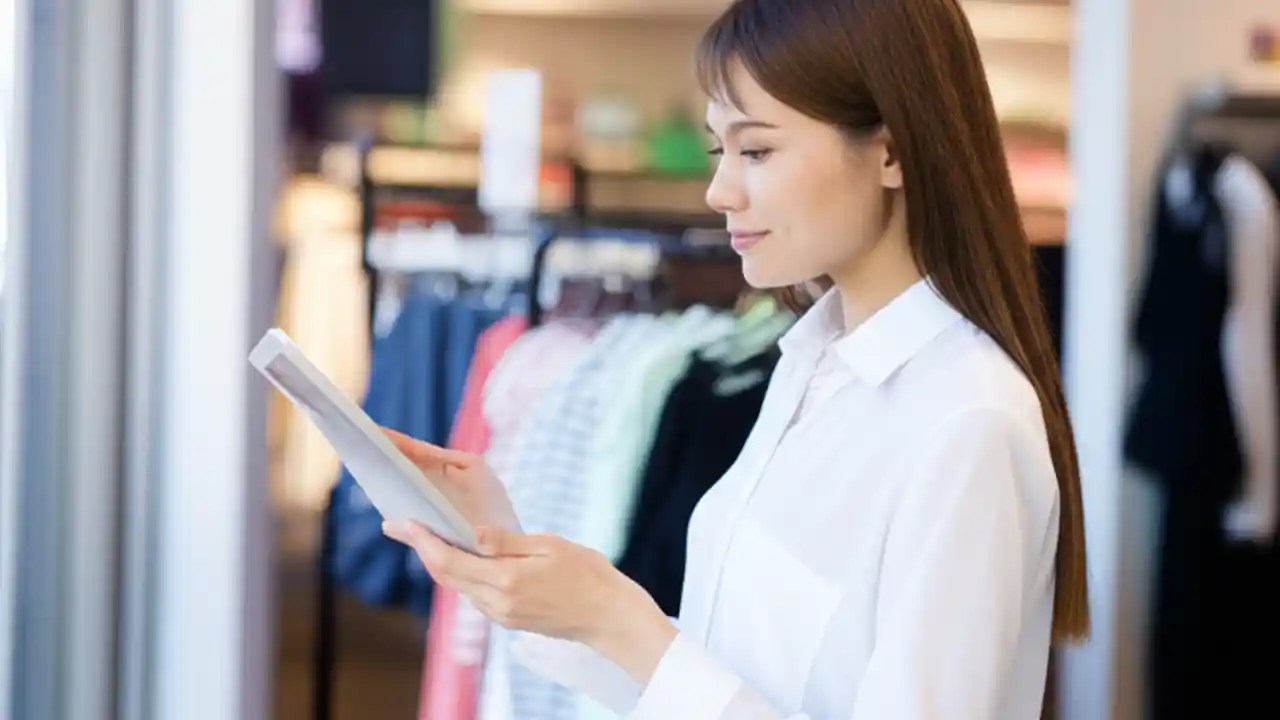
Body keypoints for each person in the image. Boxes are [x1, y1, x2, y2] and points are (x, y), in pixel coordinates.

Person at [382, 0, 1090, 717]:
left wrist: (618, 622)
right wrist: (524, 562)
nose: (719, 192)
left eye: (756, 151)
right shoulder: (811, 366)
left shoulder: (966, 422)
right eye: (720, 151)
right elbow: (733, 668)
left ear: (892, 152)